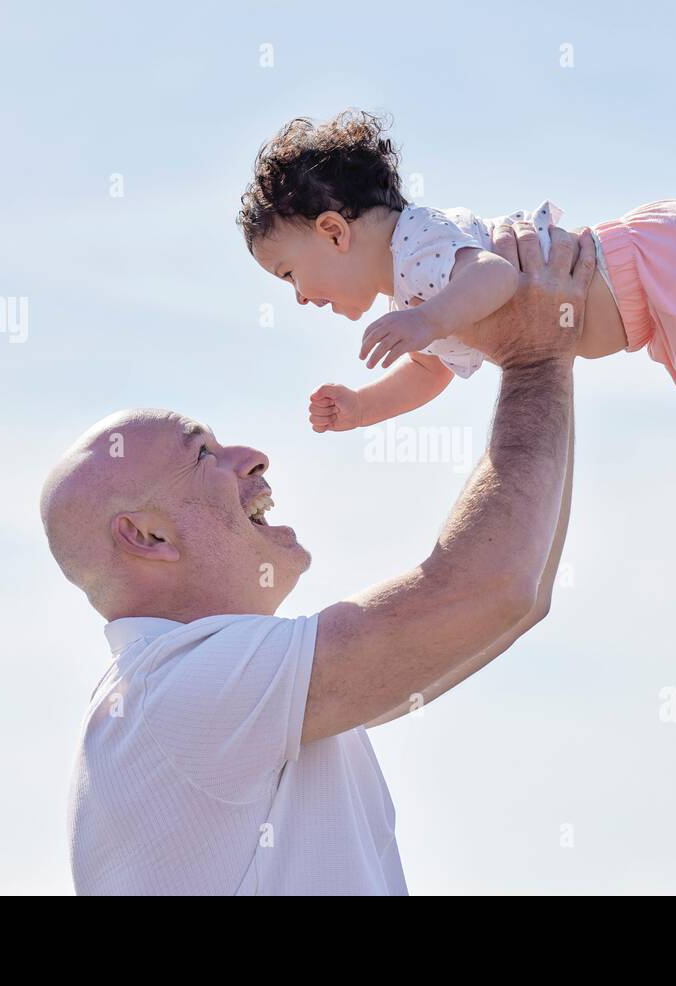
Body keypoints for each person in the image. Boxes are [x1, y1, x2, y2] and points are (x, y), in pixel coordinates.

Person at [40, 222, 592, 894]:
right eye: (206, 456)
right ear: (148, 538)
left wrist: (547, 363)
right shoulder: (180, 690)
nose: (254, 457)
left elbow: (516, 591)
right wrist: (536, 361)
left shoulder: (204, 694)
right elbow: (491, 586)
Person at [239, 110, 676, 457]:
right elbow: (432, 372)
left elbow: (489, 276)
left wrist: (425, 323)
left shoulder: (421, 254)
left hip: (644, 270)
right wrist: (364, 407)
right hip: (653, 274)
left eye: (291, 274)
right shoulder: (416, 287)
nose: (300, 296)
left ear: (334, 231)